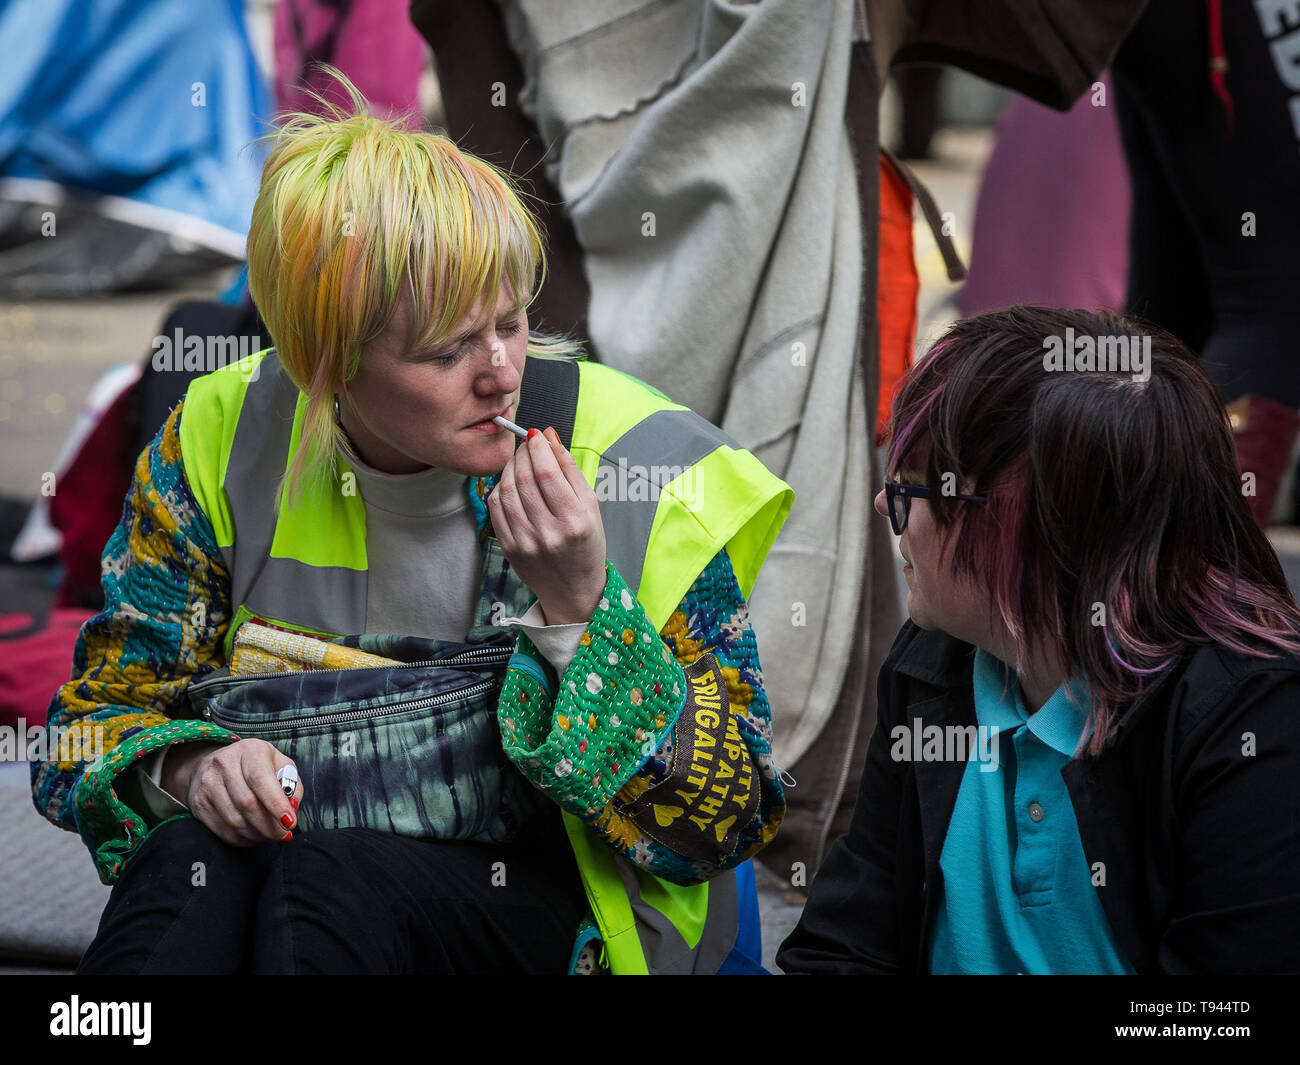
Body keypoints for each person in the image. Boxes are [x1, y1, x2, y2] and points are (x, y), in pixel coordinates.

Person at [30, 79, 793, 975]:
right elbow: (83, 733)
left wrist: (583, 610)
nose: (503, 373)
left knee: (323, 880)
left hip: (566, 919)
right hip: (300, 891)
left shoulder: (639, 463)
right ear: (324, 366)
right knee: (186, 862)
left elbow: (727, 823)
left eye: (511, 322)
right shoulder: (217, 437)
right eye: (446, 350)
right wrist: (188, 772)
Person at [777, 306, 1300, 974]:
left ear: (1018, 529)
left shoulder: (1248, 727)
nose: (887, 507)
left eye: (909, 490)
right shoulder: (932, 667)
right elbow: (843, 947)